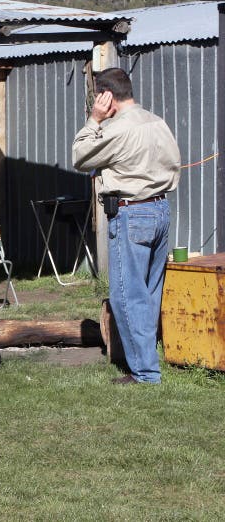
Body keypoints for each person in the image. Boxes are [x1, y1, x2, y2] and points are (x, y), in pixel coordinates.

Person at [73, 67, 180, 385]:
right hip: (160, 209)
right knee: (149, 293)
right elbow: (174, 163)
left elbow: (80, 156)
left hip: (132, 213)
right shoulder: (156, 122)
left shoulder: (117, 129)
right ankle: (149, 361)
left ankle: (145, 373)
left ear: (105, 96)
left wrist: (94, 119)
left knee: (125, 295)